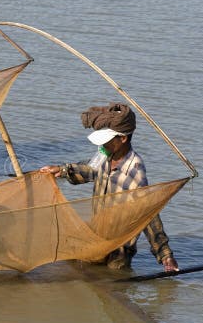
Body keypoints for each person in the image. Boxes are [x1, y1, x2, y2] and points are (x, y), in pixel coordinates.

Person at [39, 102, 180, 272]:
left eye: (107, 141)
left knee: (113, 284)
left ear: (123, 139)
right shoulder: (105, 154)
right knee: (79, 274)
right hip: (96, 237)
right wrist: (62, 170)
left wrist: (165, 255)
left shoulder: (134, 170)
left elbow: (148, 215)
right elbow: (90, 170)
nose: (102, 145)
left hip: (119, 248)